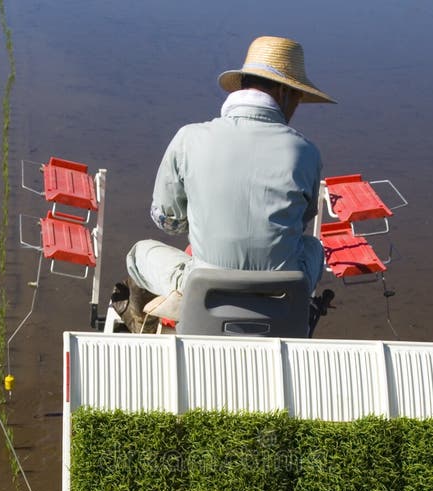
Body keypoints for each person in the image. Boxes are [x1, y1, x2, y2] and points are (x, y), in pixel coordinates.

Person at [113, 35, 335, 331]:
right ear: (283, 93)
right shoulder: (306, 151)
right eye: (297, 97)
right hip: (281, 294)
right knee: (314, 248)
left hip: (204, 286)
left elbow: (167, 220)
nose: (296, 107)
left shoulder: (188, 138)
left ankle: (145, 321)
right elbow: (301, 221)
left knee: (139, 254)